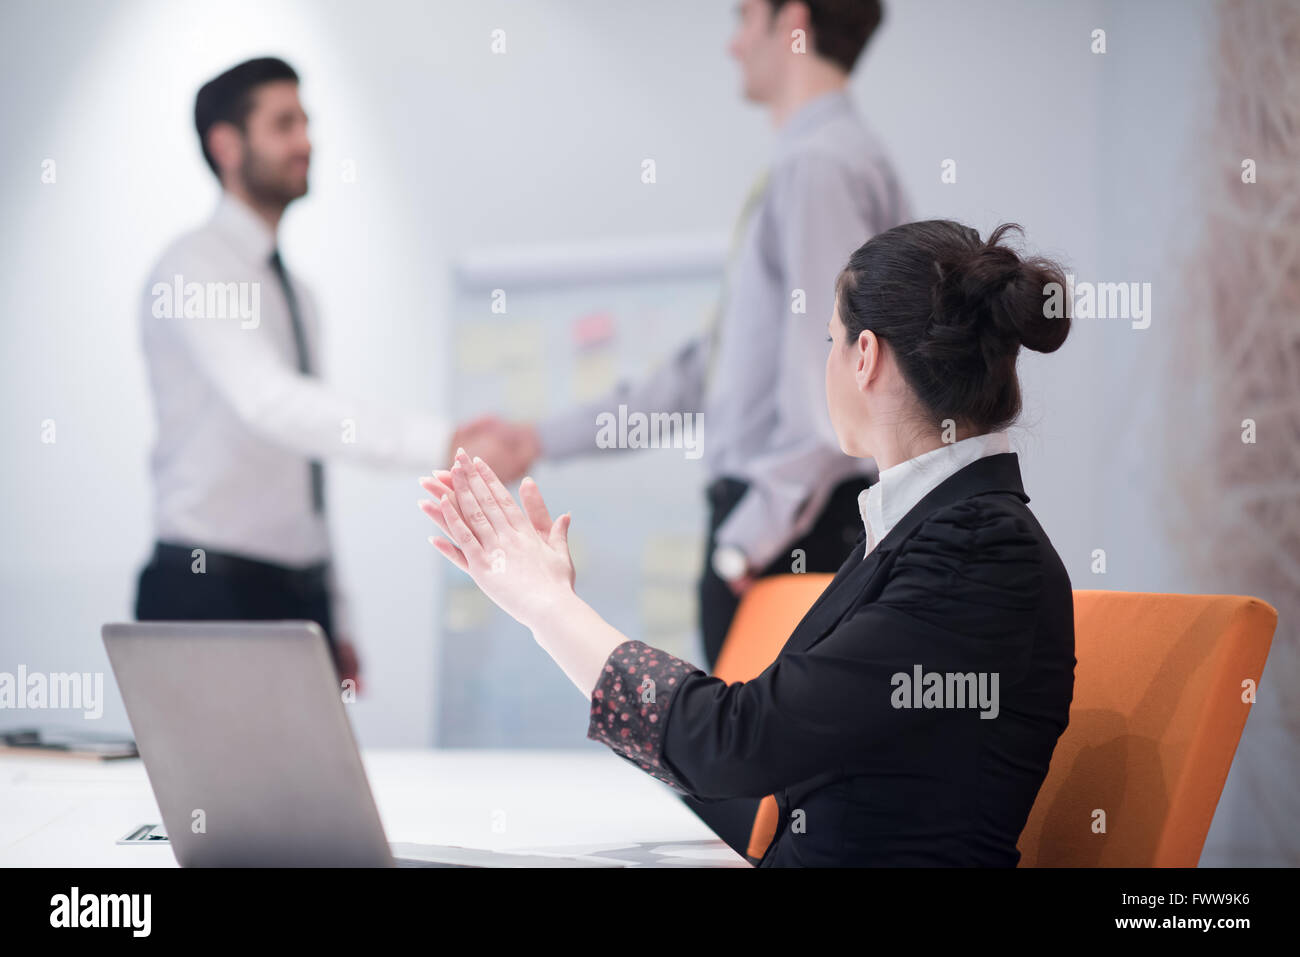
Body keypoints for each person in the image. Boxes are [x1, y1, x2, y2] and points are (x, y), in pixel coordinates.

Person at [419, 220, 1077, 866]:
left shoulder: (975, 550)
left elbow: (741, 743)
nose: (826, 361)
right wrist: (555, 618)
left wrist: (550, 609)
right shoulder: (931, 525)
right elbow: (769, 780)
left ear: (866, 357)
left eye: (829, 340)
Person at [468, 0, 911, 668]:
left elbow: (838, 379)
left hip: (792, 531)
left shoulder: (820, 165)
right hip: (789, 524)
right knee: (741, 765)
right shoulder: (819, 160)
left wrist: (750, 537)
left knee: (745, 767)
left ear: (791, 20)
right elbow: (708, 368)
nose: (733, 46)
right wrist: (540, 439)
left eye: (743, 20)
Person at [134, 57, 526, 688]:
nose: (306, 142)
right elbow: (268, 402)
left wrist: (333, 611)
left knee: (300, 788)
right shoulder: (192, 268)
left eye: (306, 122)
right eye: (284, 124)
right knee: (207, 789)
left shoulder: (300, 294)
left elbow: (304, 469)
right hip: (207, 589)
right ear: (226, 145)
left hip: (297, 593)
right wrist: (441, 442)